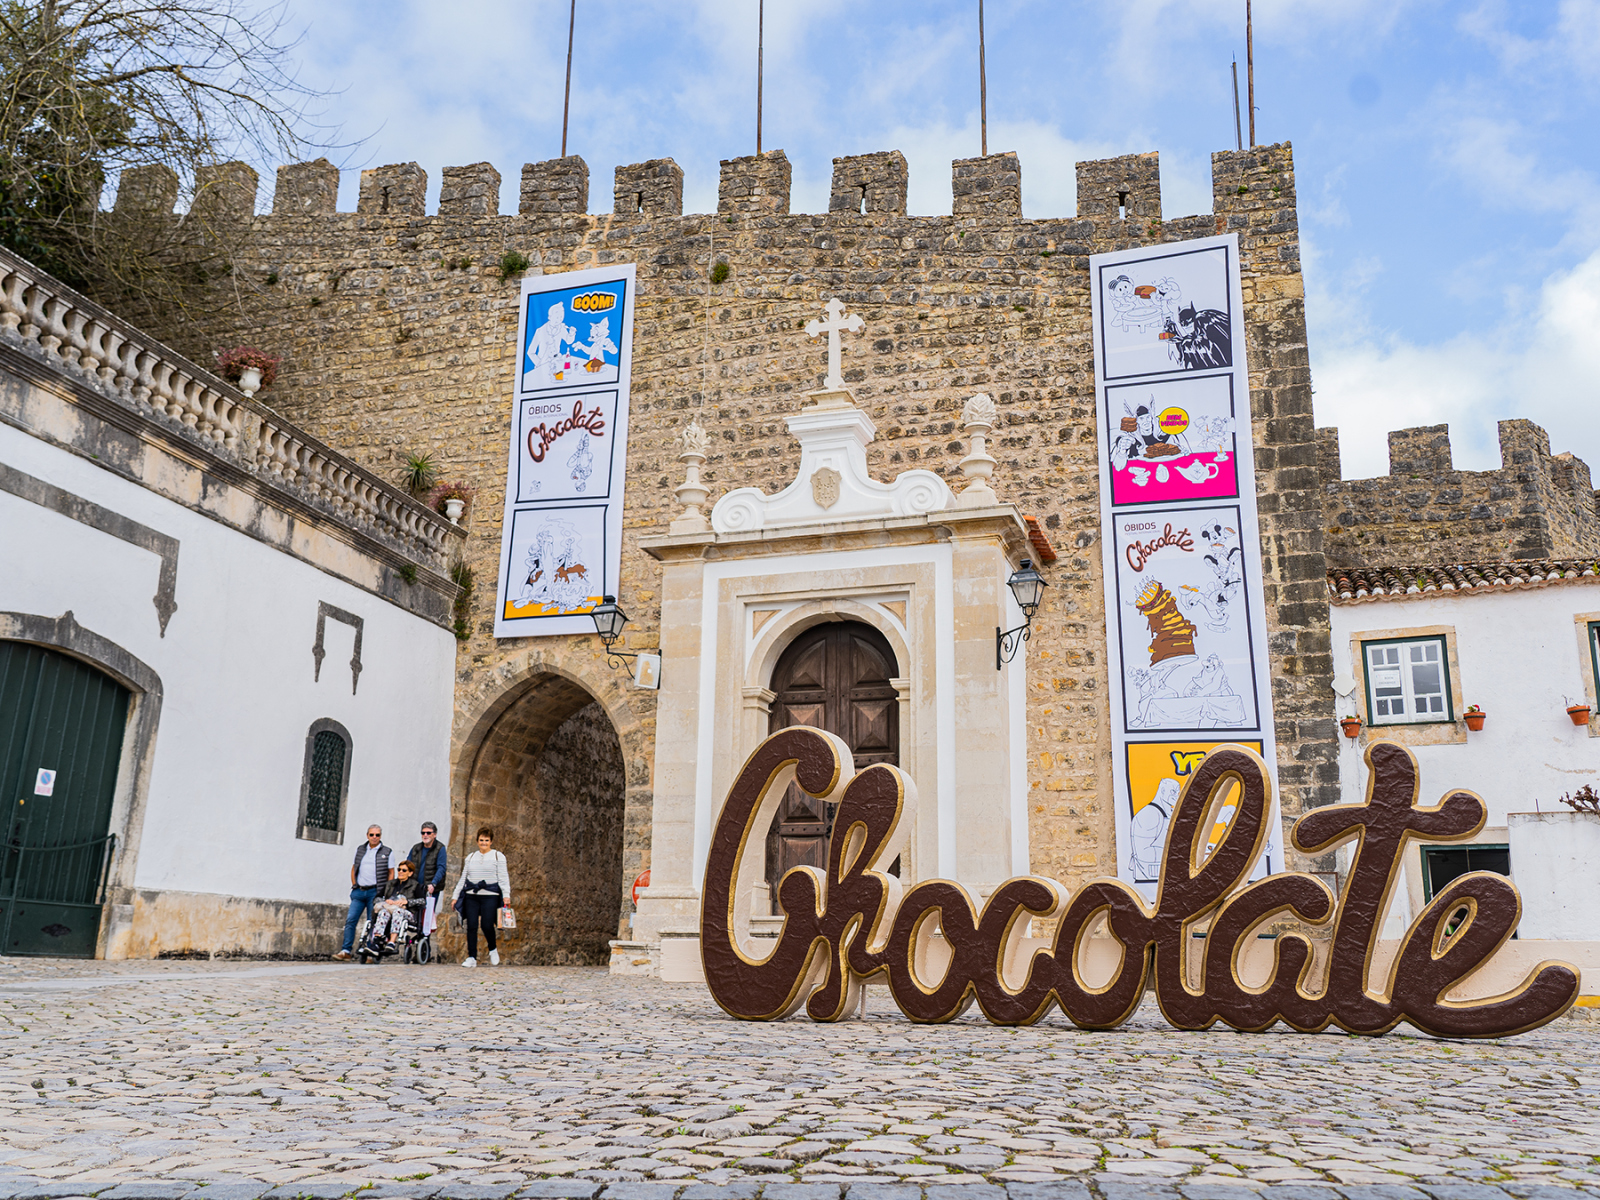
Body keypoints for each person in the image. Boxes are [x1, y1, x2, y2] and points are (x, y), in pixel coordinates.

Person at [451, 827, 510, 968]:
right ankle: (471, 957)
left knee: (486, 924)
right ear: (477, 841)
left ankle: (492, 948)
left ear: (491, 842)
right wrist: (455, 896)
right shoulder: (470, 857)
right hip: (472, 896)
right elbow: (463, 878)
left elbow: (503, 877)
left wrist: (506, 895)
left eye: (487, 840)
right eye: (481, 840)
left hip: (490, 896)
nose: (484, 843)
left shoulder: (498, 856)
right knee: (471, 925)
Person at [335, 824, 391, 961]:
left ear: (380, 836)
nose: (374, 837)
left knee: (373, 922)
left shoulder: (387, 852)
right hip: (359, 891)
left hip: (375, 892)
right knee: (351, 920)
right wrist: (354, 884)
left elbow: (391, 872)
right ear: (367, 835)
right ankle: (346, 950)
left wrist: (386, 891)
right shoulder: (361, 849)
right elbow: (354, 867)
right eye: (372, 834)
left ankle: (371, 951)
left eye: (377, 835)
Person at [363, 858, 424, 958]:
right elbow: (376, 898)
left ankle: (391, 942)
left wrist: (407, 902)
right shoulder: (390, 884)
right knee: (383, 912)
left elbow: (422, 901)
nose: (400, 872)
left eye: (404, 870)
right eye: (399, 869)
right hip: (389, 909)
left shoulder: (415, 885)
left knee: (398, 911)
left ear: (410, 873)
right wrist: (386, 901)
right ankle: (377, 941)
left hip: (407, 912)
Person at [406, 822, 448, 936]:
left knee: (426, 919)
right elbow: (408, 865)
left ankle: (424, 946)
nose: (425, 835)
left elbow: (441, 868)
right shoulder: (416, 848)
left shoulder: (440, 848)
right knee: (412, 917)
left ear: (434, 834)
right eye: (423, 833)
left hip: (430, 889)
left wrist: (433, 884)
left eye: (428, 833)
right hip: (415, 887)